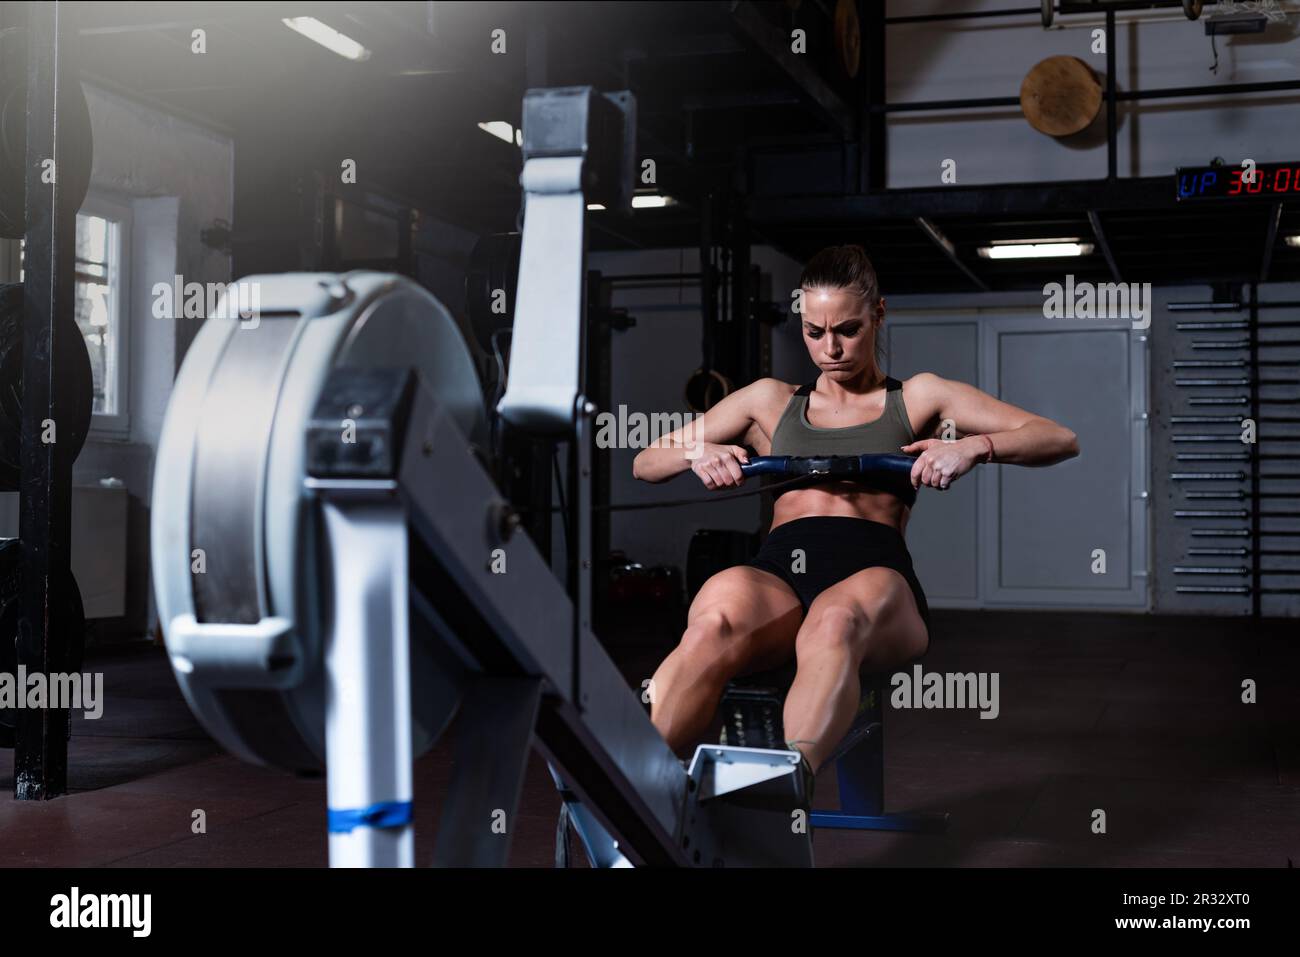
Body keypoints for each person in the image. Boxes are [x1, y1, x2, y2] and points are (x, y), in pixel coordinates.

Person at [631, 245, 1079, 798]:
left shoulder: (919, 397)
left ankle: (781, 790)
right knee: (716, 614)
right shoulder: (769, 402)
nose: (831, 348)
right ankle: (635, 783)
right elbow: (646, 461)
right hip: (780, 576)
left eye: (848, 329)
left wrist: (975, 447)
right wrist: (697, 454)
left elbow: (1058, 437)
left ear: (879, 315)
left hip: (874, 577)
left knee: (834, 621)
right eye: (815, 331)